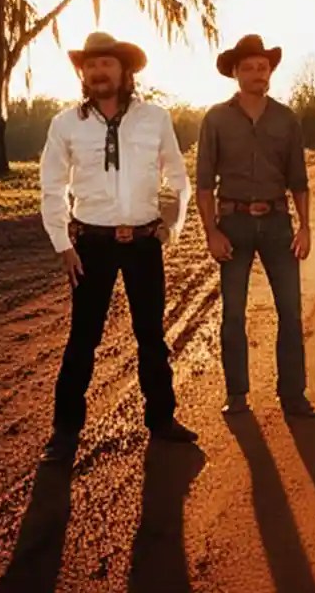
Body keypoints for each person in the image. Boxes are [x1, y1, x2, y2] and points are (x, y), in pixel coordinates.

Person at [38, 31, 197, 464]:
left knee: (151, 334)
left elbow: (177, 178)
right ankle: (64, 433)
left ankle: (162, 420)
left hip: (143, 242)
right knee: (83, 337)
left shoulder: (155, 119)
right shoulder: (65, 124)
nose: (98, 71)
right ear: (83, 74)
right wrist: (62, 244)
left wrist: (170, 227)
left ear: (124, 71)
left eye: (106, 63)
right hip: (91, 244)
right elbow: (52, 186)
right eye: (90, 65)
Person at [196, 34, 315, 418]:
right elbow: (204, 183)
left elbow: (299, 179)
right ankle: (237, 394)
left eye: (262, 67)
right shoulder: (216, 118)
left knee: (290, 310)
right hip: (233, 223)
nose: (256, 74)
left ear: (270, 72)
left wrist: (305, 227)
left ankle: (293, 394)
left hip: (278, 223)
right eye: (248, 68)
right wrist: (212, 232)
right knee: (233, 312)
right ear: (235, 73)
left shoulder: (286, 119)